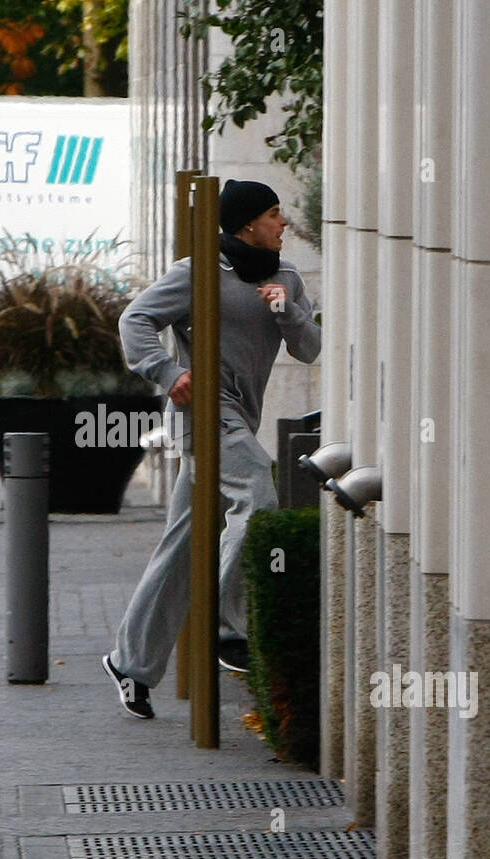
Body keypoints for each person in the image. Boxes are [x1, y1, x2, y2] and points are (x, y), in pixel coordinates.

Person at [102, 180, 321, 718]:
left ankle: (129, 663)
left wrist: (287, 309)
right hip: (200, 414)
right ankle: (230, 628)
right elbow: (137, 320)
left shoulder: (285, 277)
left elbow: (310, 347)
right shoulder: (200, 270)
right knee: (259, 495)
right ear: (247, 223)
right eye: (274, 214)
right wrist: (167, 370)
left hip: (239, 415)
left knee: (183, 544)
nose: (283, 222)